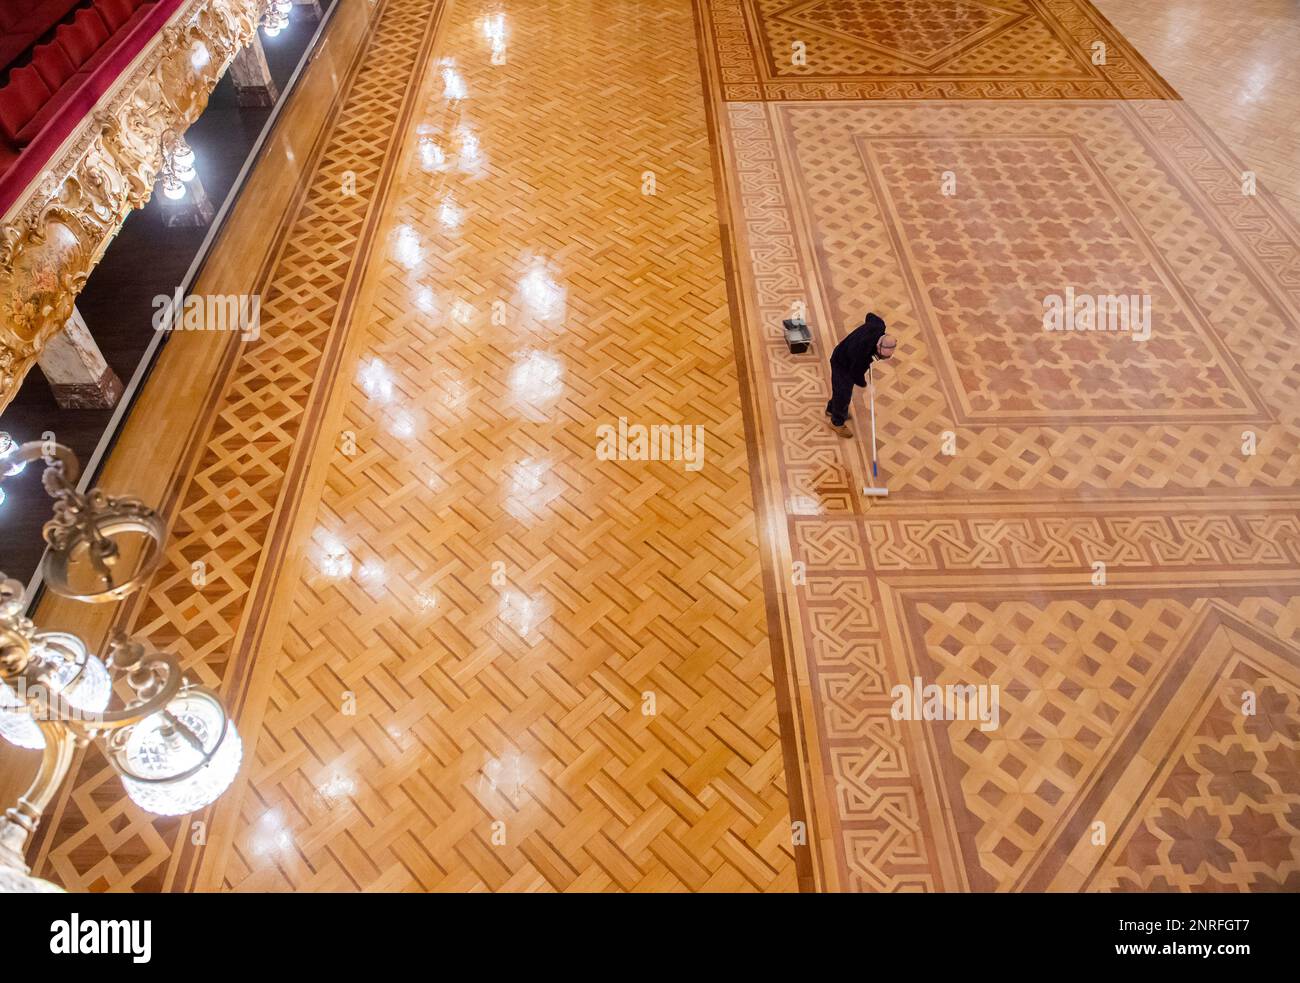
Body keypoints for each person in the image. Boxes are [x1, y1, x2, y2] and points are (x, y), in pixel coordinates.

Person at [825, 313, 895, 437]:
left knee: (841, 391)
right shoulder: (861, 353)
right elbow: (856, 374)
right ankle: (837, 423)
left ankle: (832, 409)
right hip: (841, 362)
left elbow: (869, 315)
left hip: (849, 356)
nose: (880, 358)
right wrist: (867, 386)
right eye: (880, 356)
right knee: (843, 393)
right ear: (878, 345)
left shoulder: (878, 325)